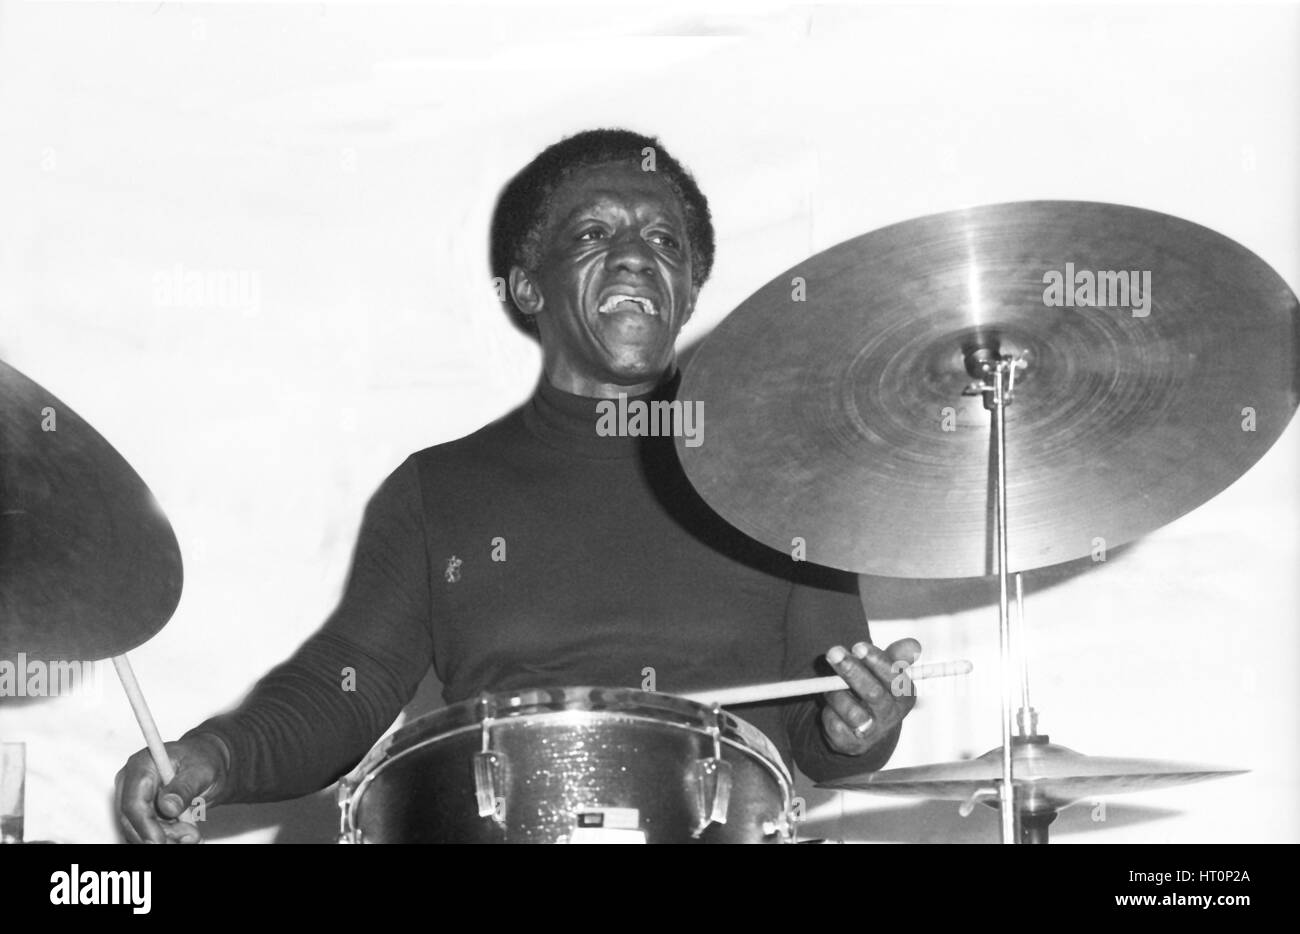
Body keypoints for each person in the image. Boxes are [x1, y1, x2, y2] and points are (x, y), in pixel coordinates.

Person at [115, 128, 921, 844]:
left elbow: (830, 738)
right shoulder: (441, 489)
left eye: (666, 243)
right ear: (528, 286)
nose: (638, 254)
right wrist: (213, 756)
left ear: (689, 295)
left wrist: (861, 724)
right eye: (596, 232)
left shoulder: (788, 481)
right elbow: (343, 688)